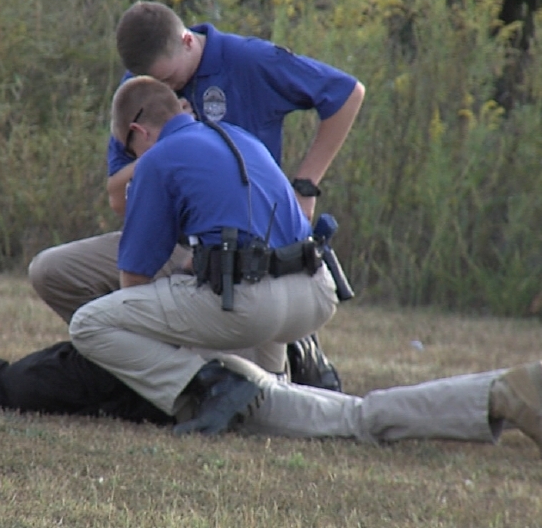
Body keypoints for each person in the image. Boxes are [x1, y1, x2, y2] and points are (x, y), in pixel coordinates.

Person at [28, 1, 365, 384]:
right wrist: (170, 142)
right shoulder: (141, 91)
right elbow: (119, 199)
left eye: (169, 79)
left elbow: (346, 93)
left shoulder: (248, 60)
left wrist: (305, 185)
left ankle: (278, 362)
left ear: (188, 41)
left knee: (251, 383)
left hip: (247, 259)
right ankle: (157, 375)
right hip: (176, 245)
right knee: (51, 271)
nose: (169, 90)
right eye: (157, 84)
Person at [64, 75, 342, 435]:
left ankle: (216, 386)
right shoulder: (241, 137)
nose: (134, 158)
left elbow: (134, 279)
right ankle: (282, 392)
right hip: (315, 296)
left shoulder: (157, 158)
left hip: (255, 307)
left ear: (138, 131)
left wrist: (154, 353)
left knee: (89, 323)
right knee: (268, 407)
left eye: (129, 149)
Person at [0, 319, 542, 463]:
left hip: (225, 392)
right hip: (227, 373)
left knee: (362, 420)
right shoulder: (32, 372)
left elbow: (116, 370)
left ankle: (505, 394)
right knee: (358, 415)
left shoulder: (27, 387)